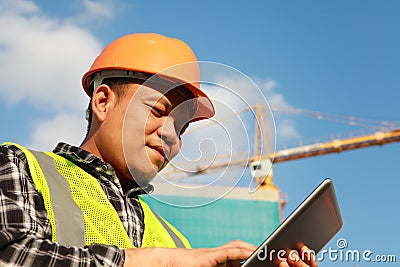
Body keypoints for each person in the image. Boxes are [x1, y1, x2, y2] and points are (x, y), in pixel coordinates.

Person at [0, 33, 317, 267]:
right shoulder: (21, 167)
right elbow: (11, 254)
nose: (172, 137)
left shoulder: (175, 239)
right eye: (158, 110)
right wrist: (160, 262)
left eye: (182, 127)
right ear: (103, 102)